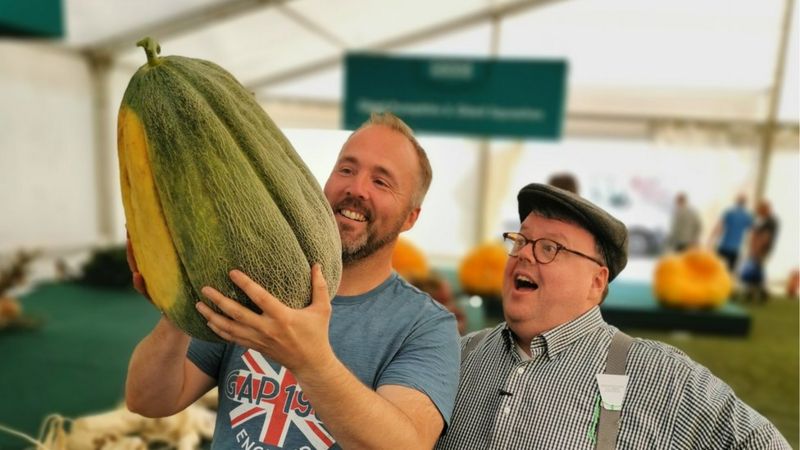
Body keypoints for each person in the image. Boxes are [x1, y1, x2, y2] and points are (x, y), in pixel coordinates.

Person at [125, 112, 460, 450]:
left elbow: (407, 444)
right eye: (346, 169)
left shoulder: (426, 326)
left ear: (411, 218)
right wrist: (181, 301)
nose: (355, 188)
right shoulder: (253, 285)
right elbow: (148, 400)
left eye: (381, 181)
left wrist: (308, 360)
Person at [436, 183, 790, 449]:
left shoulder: (660, 376)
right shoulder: (459, 358)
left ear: (596, 281)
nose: (524, 255)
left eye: (549, 248)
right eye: (520, 241)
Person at [740, 199, 779, 303]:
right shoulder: (764, 221)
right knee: (755, 270)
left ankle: (760, 292)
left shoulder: (771, 221)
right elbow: (755, 233)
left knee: (756, 271)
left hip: (762, 250)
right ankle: (753, 292)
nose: (758, 212)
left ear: (765, 209)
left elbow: (765, 237)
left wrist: (756, 250)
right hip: (758, 249)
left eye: (759, 210)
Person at [710, 194, 753, 272]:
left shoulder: (729, 212)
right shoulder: (748, 216)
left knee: (716, 270)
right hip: (735, 249)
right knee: (730, 271)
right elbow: (750, 233)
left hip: (723, 245)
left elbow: (719, 227)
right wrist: (749, 248)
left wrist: (711, 239)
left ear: (736, 201)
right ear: (745, 203)